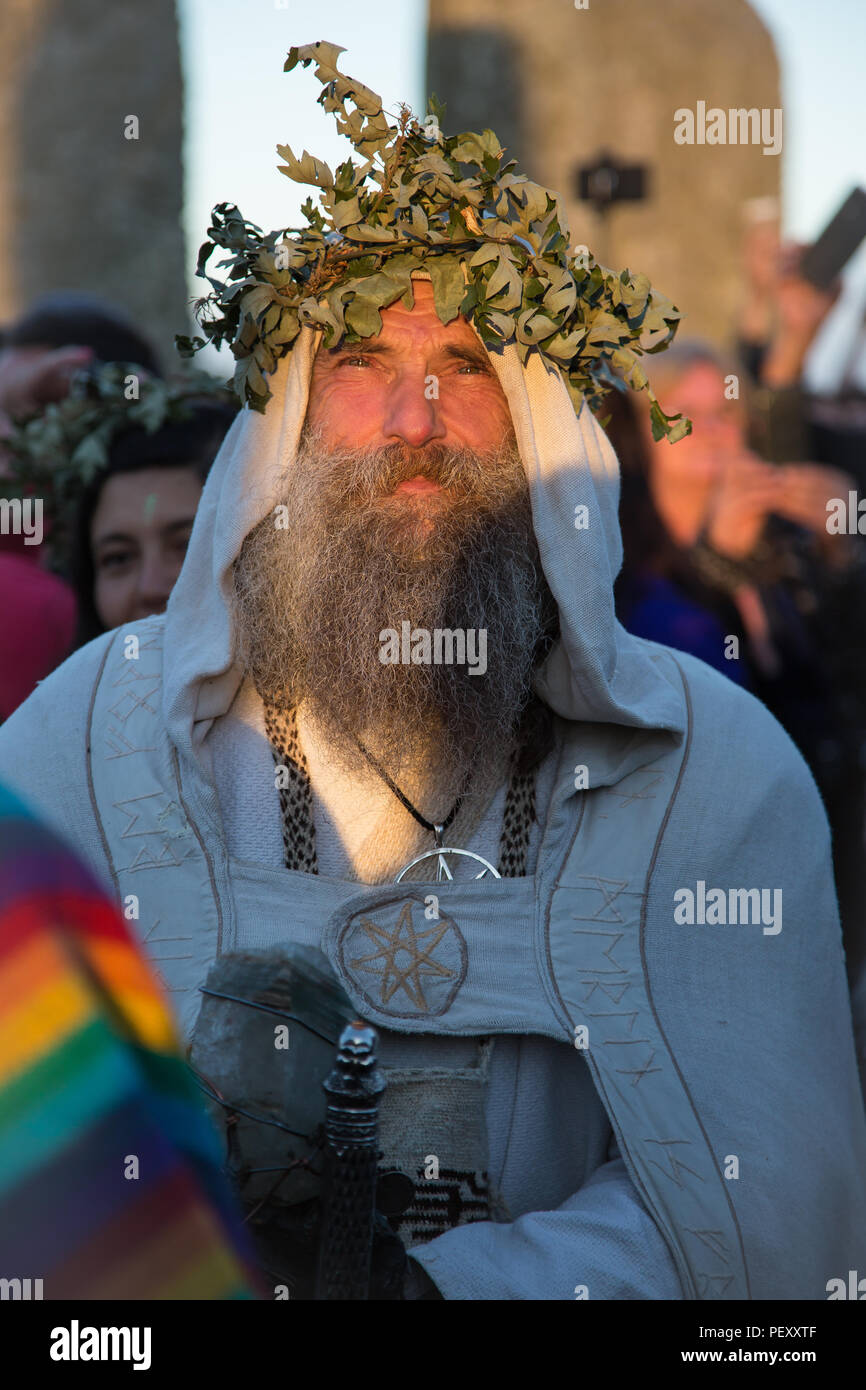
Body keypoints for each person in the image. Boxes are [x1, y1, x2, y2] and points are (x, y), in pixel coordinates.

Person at [0, 43, 863, 1302]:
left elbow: (766, 1228)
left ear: (536, 418)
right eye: (360, 364)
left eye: (464, 368)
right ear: (286, 412)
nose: (414, 424)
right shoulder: (90, 739)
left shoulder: (708, 774)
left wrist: (438, 1292)